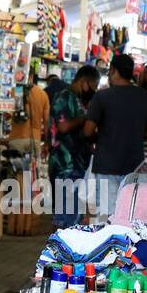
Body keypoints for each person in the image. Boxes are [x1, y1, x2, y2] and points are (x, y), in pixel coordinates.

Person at [84, 53, 147, 222]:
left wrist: (102, 136)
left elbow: (88, 131)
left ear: (113, 70)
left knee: (106, 217)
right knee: (131, 218)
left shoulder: (102, 97)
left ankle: (108, 248)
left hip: (106, 164)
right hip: (134, 165)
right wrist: (134, 133)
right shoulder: (144, 97)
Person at [48, 65, 98, 229]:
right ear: (85, 81)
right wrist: (87, 116)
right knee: (67, 222)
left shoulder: (77, 100)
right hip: (65, 165)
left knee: (73, 218)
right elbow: (63, 127)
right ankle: (61, 253)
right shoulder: (64, 97)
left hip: (76, 165)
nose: (93, 90)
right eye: (93, 86)